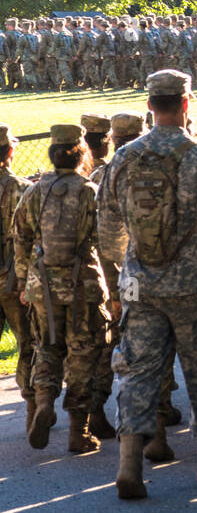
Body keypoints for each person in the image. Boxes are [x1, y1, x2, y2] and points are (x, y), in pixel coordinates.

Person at [97, 69, 197, 499]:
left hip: (139, 284)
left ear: (149, 105)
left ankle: (129, 463)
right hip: (194, 284)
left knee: (138, 370)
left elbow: (107, 231)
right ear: (186, 104)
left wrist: (133, 259)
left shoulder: (122, 159)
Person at [14, 123, 111, 454]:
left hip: (42, 284)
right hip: (82, 284)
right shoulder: (89, 191)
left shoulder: (34, 191)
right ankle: (78, 432)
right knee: (82, 354)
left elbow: (22, 236)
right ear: (81, 152)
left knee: (46, 346)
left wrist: (26, 278)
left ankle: (44, 401)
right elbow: (106, 241)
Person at [0, 124, 34, 426]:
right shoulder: (21, 188)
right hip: (11, 277)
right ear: (11, 151)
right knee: (27, 342)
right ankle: (31, 406)